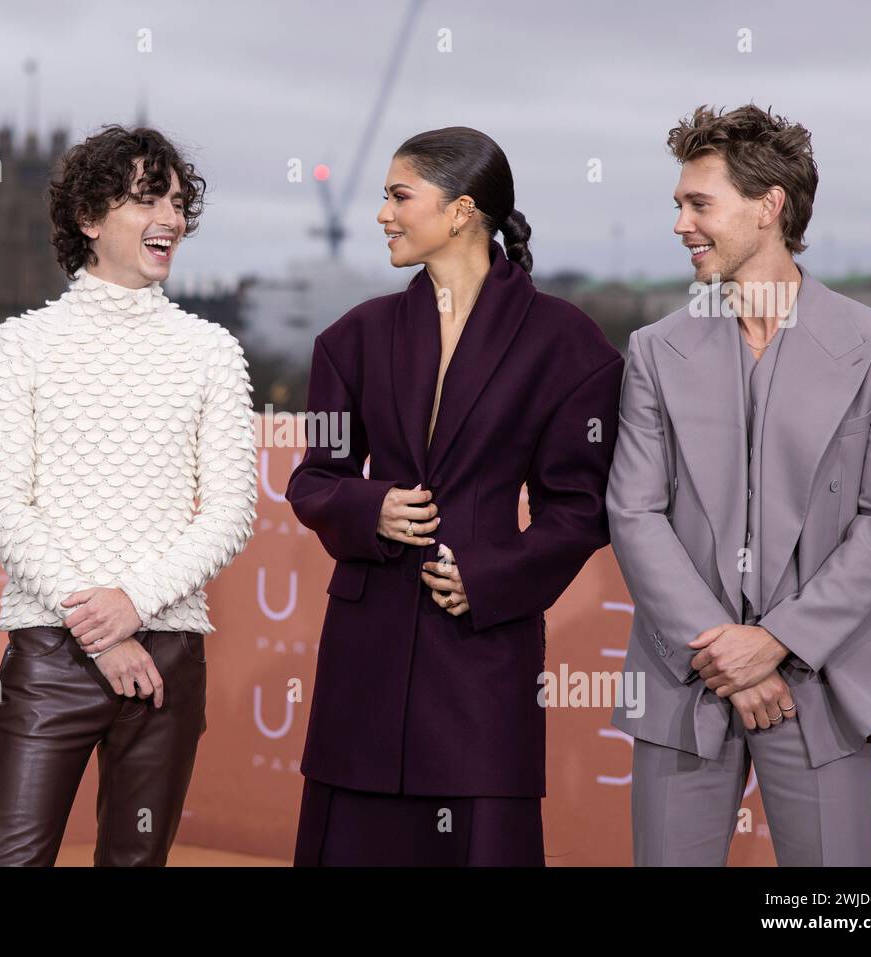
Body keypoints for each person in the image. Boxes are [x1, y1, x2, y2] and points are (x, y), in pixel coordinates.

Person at [286, 127, 623, 866]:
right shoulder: (350, 340)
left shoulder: (567, 344)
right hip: (363, 665)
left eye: (398, 195)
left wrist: (491, 574)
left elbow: (581, 506)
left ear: (463, 209)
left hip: (481, 661)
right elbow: (314, 479)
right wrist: (367, 507)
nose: (383, 214)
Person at [607, 104, 871, 866]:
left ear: (769, 205)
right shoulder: (655, 350)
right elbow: (634, 510)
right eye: (678, 204)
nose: (681, 223)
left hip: (823, 679)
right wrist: (726, 656)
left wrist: (775, 645)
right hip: (686, 677)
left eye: (699, 203)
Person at [0, 125, 257, 867]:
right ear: (90, 219)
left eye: (175, 200)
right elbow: (1, 507)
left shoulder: (213, 352)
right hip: (49, 658)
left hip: (167, 657)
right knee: (14, 859)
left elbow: (228, 514)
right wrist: (104, 627)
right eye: (145, 198)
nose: (170, 217)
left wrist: (133, 603)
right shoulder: (18, 347)